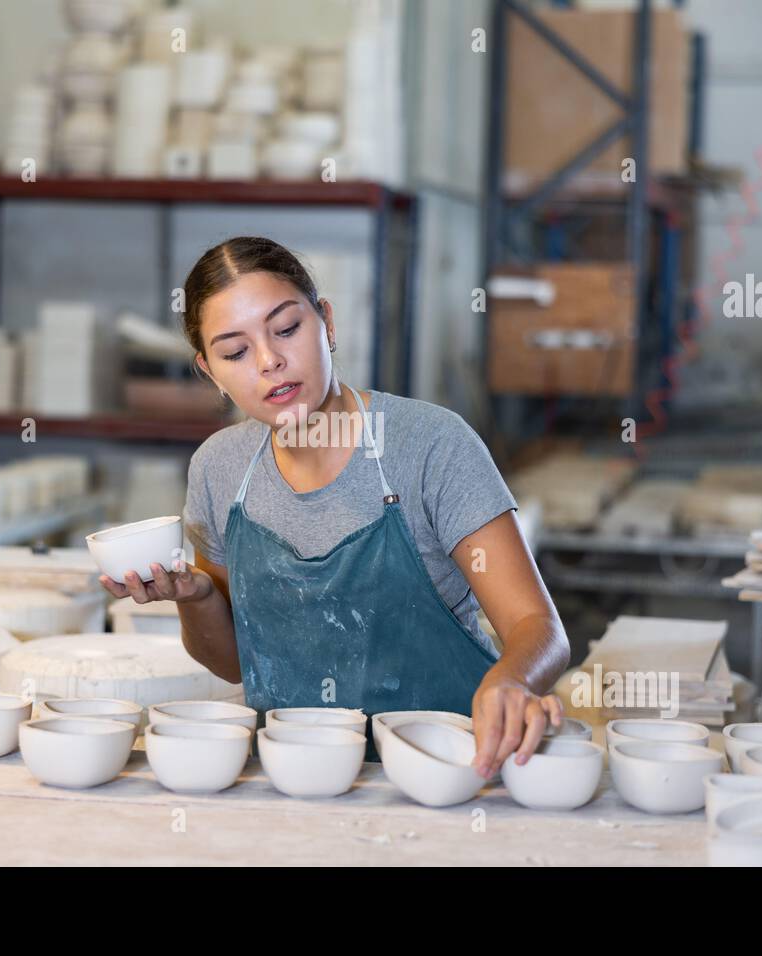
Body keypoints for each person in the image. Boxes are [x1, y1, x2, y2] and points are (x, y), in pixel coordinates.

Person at [100, 236, 571, 778]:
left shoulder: (430, 445)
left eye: (287, 329)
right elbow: (235, 663)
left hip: (454, 767)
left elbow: (538, 627)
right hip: (299, 776)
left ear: (326, 322)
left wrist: (511, 681)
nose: (270, 360)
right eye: (235, 352)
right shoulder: (219, 468)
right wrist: (196, 595)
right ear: (210, 372)